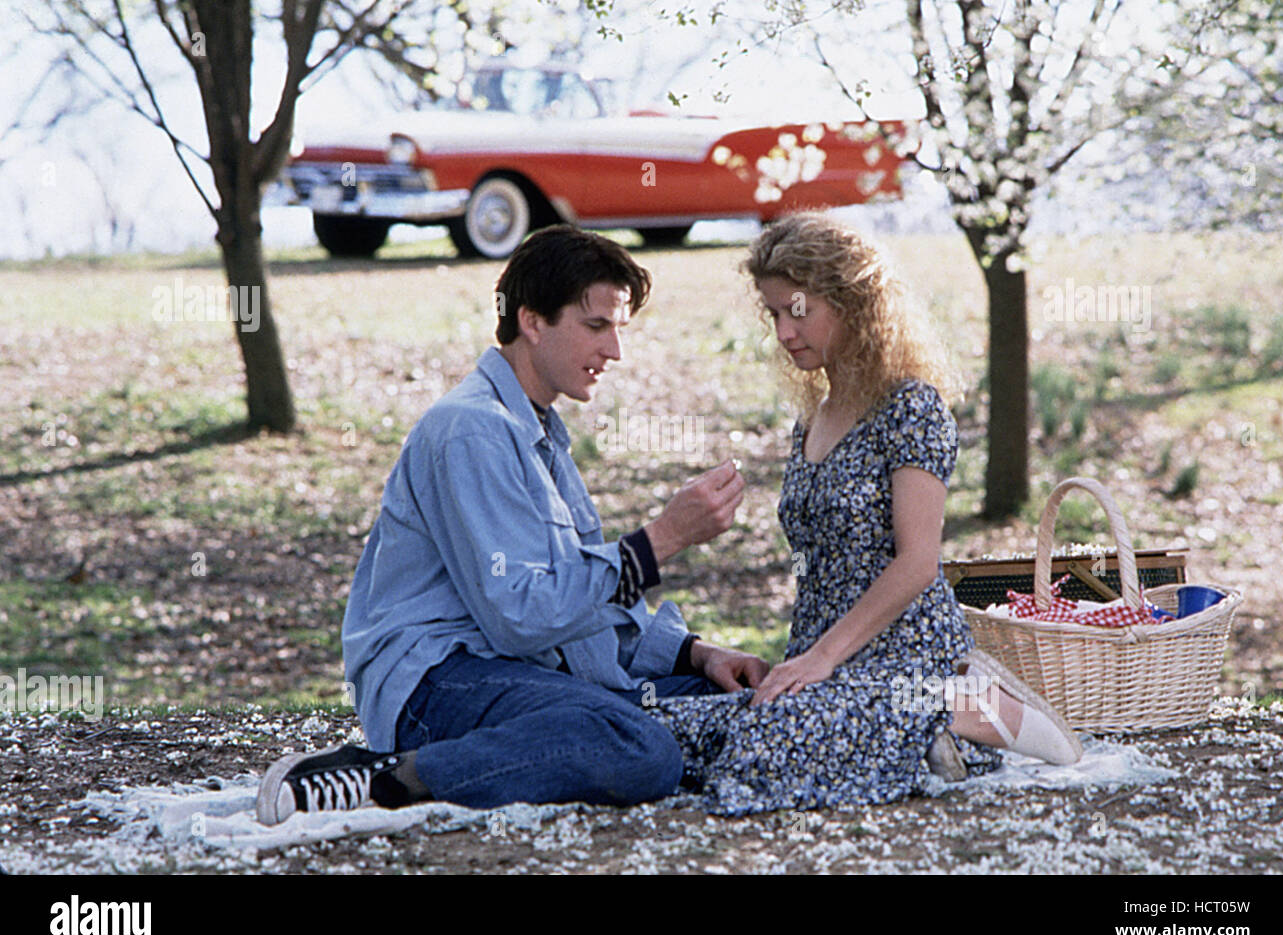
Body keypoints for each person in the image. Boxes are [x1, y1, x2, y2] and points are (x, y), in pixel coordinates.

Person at [256, 225, 769, 825]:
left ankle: (496, 753)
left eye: (618, 330)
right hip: (436, 682)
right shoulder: (471, 429)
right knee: (643, 750)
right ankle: (385, 777)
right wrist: (666, 537)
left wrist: (695, 655)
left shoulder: (540, 429)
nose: (614, 352)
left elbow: (576, 602)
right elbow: (524, 616)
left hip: (518, 671)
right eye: (596, 327)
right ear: (532, 321)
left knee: (736, 703)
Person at [640, 211, 1083, 816]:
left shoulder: (911, 408)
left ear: (853, 304)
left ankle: (960, 708)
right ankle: (923, 738)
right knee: (671, 730)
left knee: (761, 753)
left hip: (903, 656)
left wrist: (823, 658)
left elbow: (919, 562)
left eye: (798, 311)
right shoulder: (811, 418)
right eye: (773, 314)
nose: (783, 331)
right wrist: (810, 659)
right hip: (825, 663)